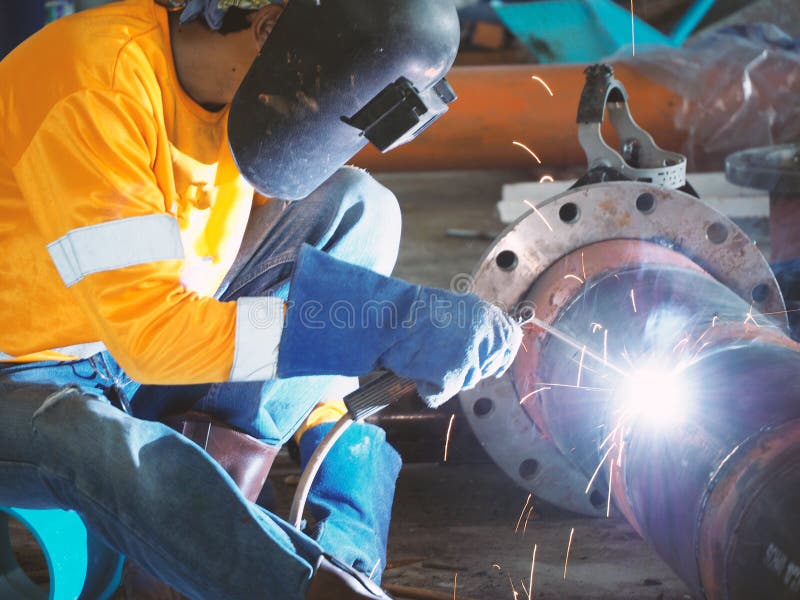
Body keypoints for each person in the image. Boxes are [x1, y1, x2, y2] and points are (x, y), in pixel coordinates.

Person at [0, 0, 522, 598]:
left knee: (358, 207)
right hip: (19, 378)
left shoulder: (246, 91)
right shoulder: (95, 89)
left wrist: (338, 437)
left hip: (122, 352)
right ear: (270, 26)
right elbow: (154, 338)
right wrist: (389, 323)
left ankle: (213, 532)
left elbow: (256, 321)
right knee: (96, 444)